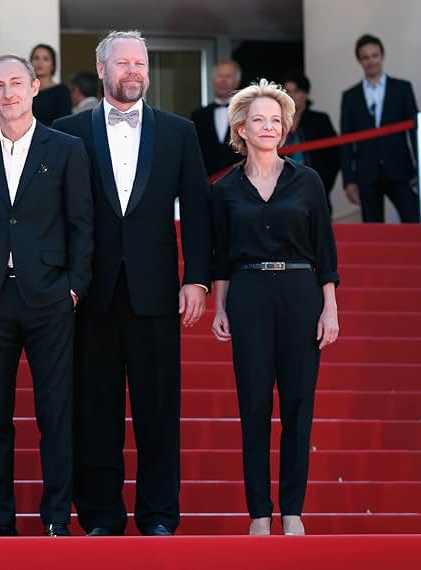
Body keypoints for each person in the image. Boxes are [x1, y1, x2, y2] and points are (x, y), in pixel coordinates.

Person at [52, 30, 211, 537]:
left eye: (139, 62)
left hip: (157, 292)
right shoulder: (65, 130)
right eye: (122, 63)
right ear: (101, 70)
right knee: (95, 414)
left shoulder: (179, 132)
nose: (132, 71)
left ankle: (160, 516)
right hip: (88, 294)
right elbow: (51, 215)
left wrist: (198, 280)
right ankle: (101, 518)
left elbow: (200, 213)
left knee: (159, 413)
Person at [0, 54, 93, 537]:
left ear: (35, 87)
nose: (8, 93)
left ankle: (56, 519)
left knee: (56, 414)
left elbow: (81, 223)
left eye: (17, 83)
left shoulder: (67, 148)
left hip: (51, 296)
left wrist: (75, 286)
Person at [210, 79, 340, 536]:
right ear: (241, 128)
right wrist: (220, 306)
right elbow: (220, 255)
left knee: (299, 406)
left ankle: (292, 512)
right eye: (258, 120)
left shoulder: (307, 181)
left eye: (276, 120)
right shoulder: (224, 189)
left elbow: (325, 249)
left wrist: (330, 308)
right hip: (247, 295)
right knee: (253, 407)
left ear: (285, 128)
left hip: (301, 292)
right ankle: (260, 515)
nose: (268, 127)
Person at [340, 34, 419, 222]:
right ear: (360, 61)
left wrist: (420, 169)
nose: (371, 61)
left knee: (414, 223)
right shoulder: (350, 96)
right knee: (372, 232)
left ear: (382, 56)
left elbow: (415, 132)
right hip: (367, 174)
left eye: (374, 55)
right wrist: (349, 180)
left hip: (401, 170)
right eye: (365, 57)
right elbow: (345, 140)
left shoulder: (402, 88)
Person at [283, 73, 341, 214]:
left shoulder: (320, 120)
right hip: (282, 192)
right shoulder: (276, 122)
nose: (291, 96)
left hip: (312, 190)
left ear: (307, 94)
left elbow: (334, 158)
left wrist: (322, 185)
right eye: (288, 92)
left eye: (296, 91)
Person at [191, 60, 244, 177]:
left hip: (240, 182)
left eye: (228, 76)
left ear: (237, 81)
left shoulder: (246, 113)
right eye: (220, 76)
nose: (223, 81)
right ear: (213, 80)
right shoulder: (198, 115)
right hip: (207, 184)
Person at [30, 43, 72, 126]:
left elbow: (64, 123)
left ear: (53, 65)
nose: (40, 62)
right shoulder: (24, 90)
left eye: (45, 59)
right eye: (36, 58)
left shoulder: (61, 91)